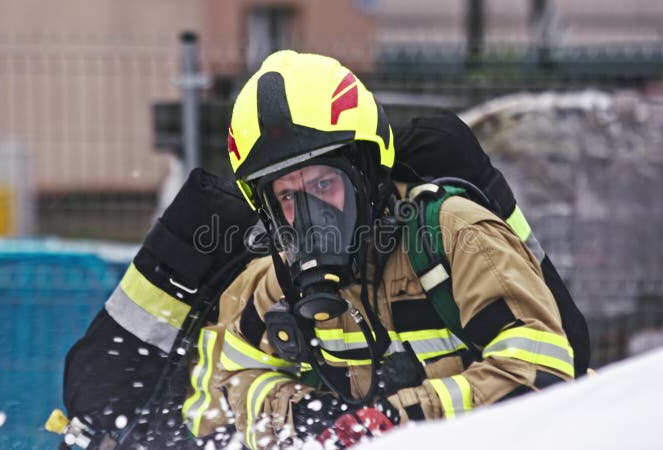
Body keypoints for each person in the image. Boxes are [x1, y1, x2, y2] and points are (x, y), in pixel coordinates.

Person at [181, 50, 577, 450]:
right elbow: (224, 388)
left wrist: (400, 420)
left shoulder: (458, 238)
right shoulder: (276, 283)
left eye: (322, 186)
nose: (308, 217)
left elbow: (540, 369)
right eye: (287, 196)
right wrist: (308, 417)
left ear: (367, 173)